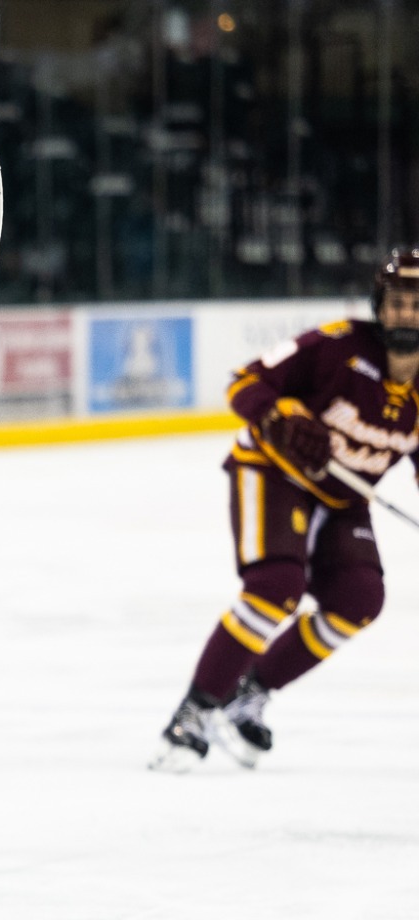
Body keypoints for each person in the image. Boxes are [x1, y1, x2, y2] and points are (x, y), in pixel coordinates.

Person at [153, 250, 419, 771]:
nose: (408, 313)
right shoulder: (336, 346)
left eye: (418, 304)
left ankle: (250, 692)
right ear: (379, 306)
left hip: (343, 498)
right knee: (277, 587)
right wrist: (280, 414)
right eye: (398, 302)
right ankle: (194, 711)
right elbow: (245, 382)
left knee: (359, 598)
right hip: (274, 473)